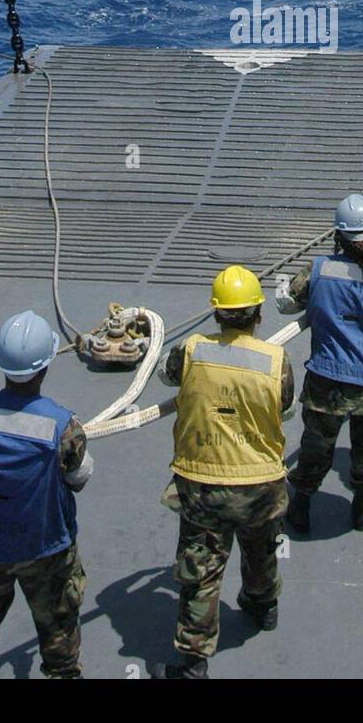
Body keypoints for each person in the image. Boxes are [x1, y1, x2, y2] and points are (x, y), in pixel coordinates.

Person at [155, 265, 294, 680]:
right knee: (261, 550)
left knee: (200, 571)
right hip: (259, 485)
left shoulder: (191, 350)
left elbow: (165, 375)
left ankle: (193, 663)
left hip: (203, 485)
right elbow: (285, 403)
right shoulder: (276, 360)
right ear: (258, 314)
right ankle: (263, 606)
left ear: (216, 313)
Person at [0, 310, 93, 679]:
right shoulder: (63, 425)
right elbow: (79, 477)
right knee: (58, 627)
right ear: (46, 366)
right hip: (43, 547)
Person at [277, 194, 363, 534]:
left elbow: (287, 302)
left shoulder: (319, 270)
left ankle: (301, 505)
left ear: (338, 236)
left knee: (316, 449)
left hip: (327, 383)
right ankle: (361, 506)